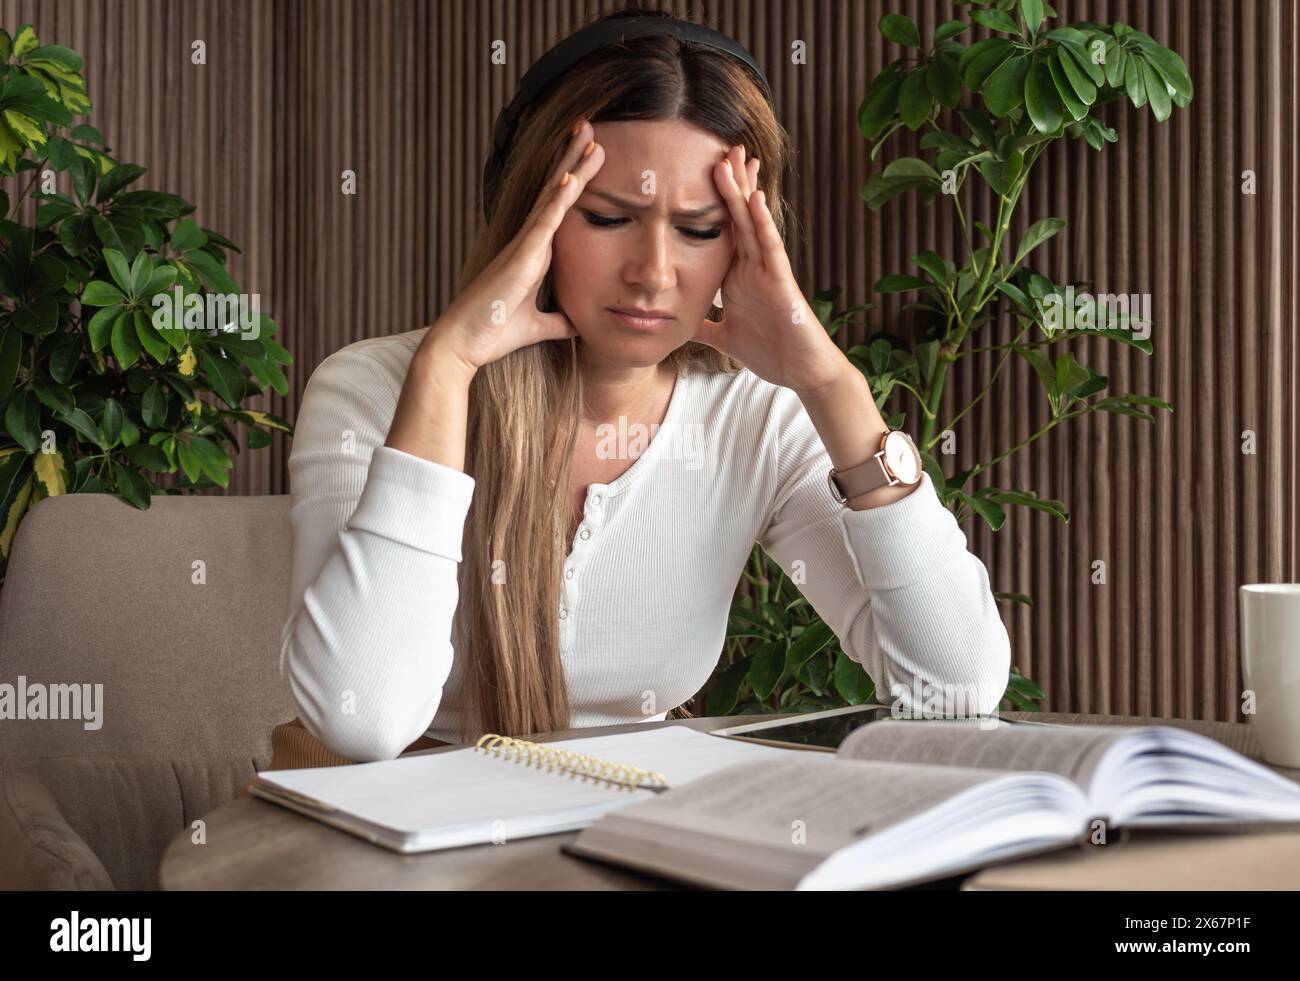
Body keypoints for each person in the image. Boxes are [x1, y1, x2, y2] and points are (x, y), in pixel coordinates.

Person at [278, 7, 1011, 764]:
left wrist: (832, 383)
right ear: (534, 212)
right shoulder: (370, 392)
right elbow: (358, 720)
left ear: (745, 241)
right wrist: (447, 368)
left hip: (634, 839)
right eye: (607, 217)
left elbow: (953, 690)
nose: (654, 274)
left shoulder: (754, 420)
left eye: (698, 230)